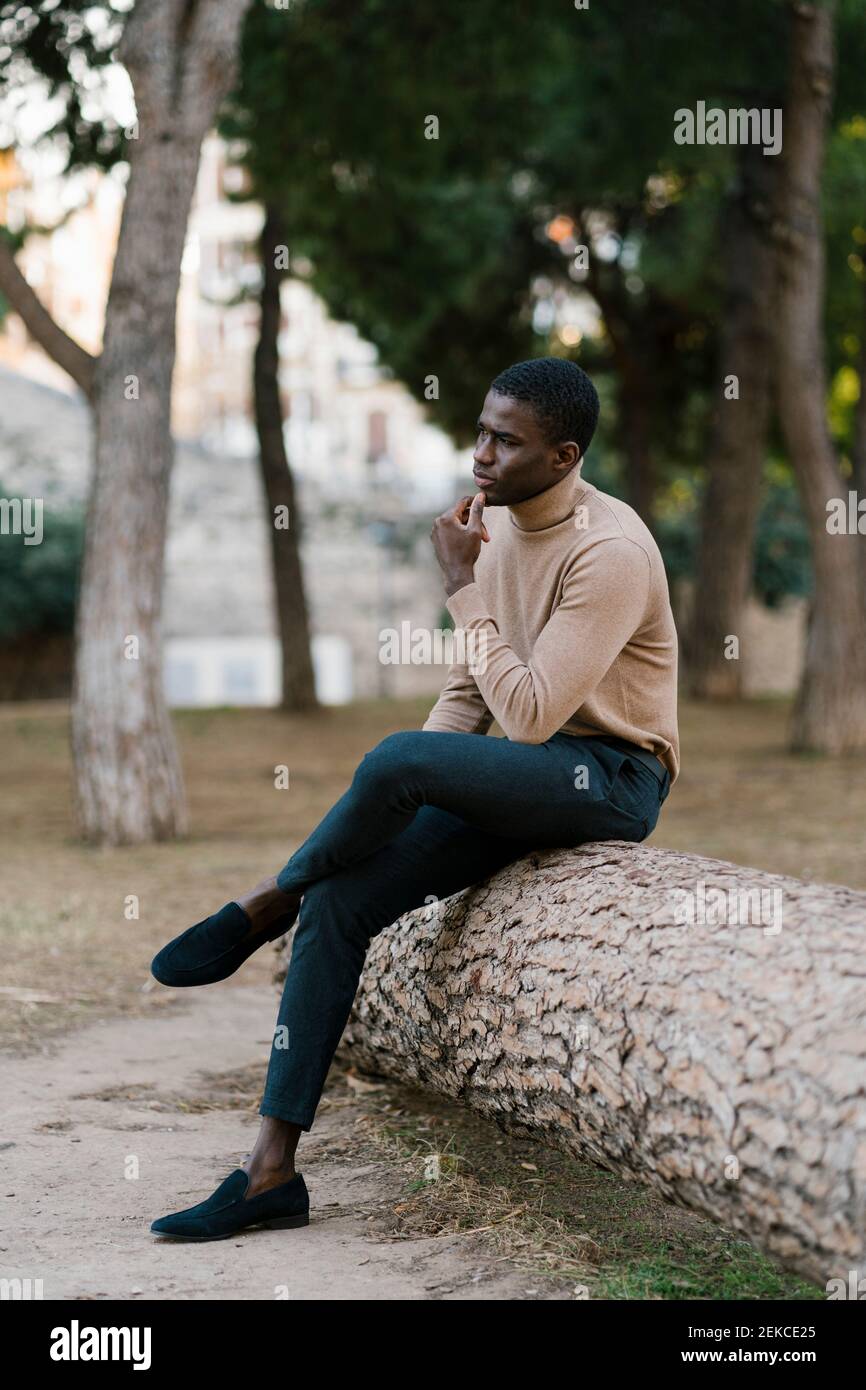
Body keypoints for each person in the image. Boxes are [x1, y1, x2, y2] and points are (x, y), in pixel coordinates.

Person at [148, 356, 679, 1240]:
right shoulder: (496, 529)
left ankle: (272, 898)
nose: (480, 455)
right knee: (344, 901)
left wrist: (460, 588)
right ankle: (269, 1172)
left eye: (505, 442)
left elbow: (536, 714)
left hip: (608, 779)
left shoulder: (609, 552)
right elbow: (470, 697)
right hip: (525, 774)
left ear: (563, 456)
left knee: (398, 761)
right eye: (479, 431)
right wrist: (420, 781)